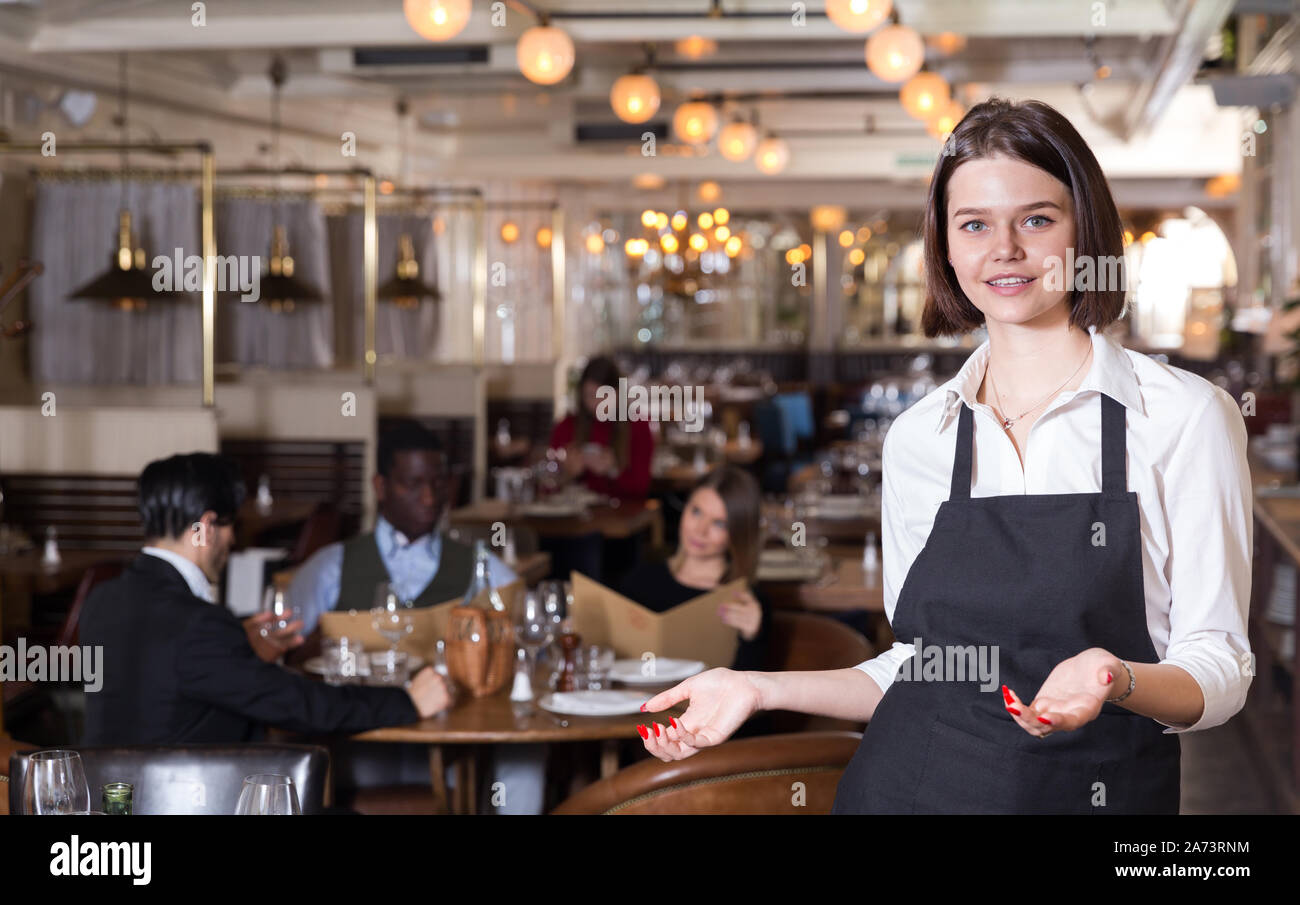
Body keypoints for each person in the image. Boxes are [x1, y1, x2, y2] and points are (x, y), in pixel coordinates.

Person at [636, 97, 1253, 815]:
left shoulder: (1181, 416)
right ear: (948, 247)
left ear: (1085, 231)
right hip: (911, 789)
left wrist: (1116, 678)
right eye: (975, 225)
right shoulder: (921, 436)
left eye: (1037, 219)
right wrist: (760, 686)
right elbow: (921, 665)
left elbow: (1220, 662)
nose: (1005, 249)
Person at [81, 453, 450, 746]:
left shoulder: (102, 601)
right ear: (206, 527)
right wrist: (407, 702)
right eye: (231, 527)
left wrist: (239, 651)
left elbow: (164, 684)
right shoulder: (199, 625)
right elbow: (298, 705)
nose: (233, 542)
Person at [288, 419, 515, 635]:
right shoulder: (330, 568)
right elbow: (284, 651)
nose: (429, 498)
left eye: (438, 483)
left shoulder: (482, 567)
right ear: (380, 486)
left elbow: (525, 634)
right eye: (412, 484)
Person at [617, 466, 771, 673]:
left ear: (738, 534)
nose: (700, 530)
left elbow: (750, 688)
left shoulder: (746, 604)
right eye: (696, 512)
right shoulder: (638, 580)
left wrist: (752, 638)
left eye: (719, 523)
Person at [548, 355, 654, 500]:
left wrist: (613, 470)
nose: (596, 404)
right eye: (589, 396)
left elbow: (641, 488)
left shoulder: (637, 425)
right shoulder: (567, 426)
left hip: (621, 516)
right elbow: (546, 487)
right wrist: (567, 473)